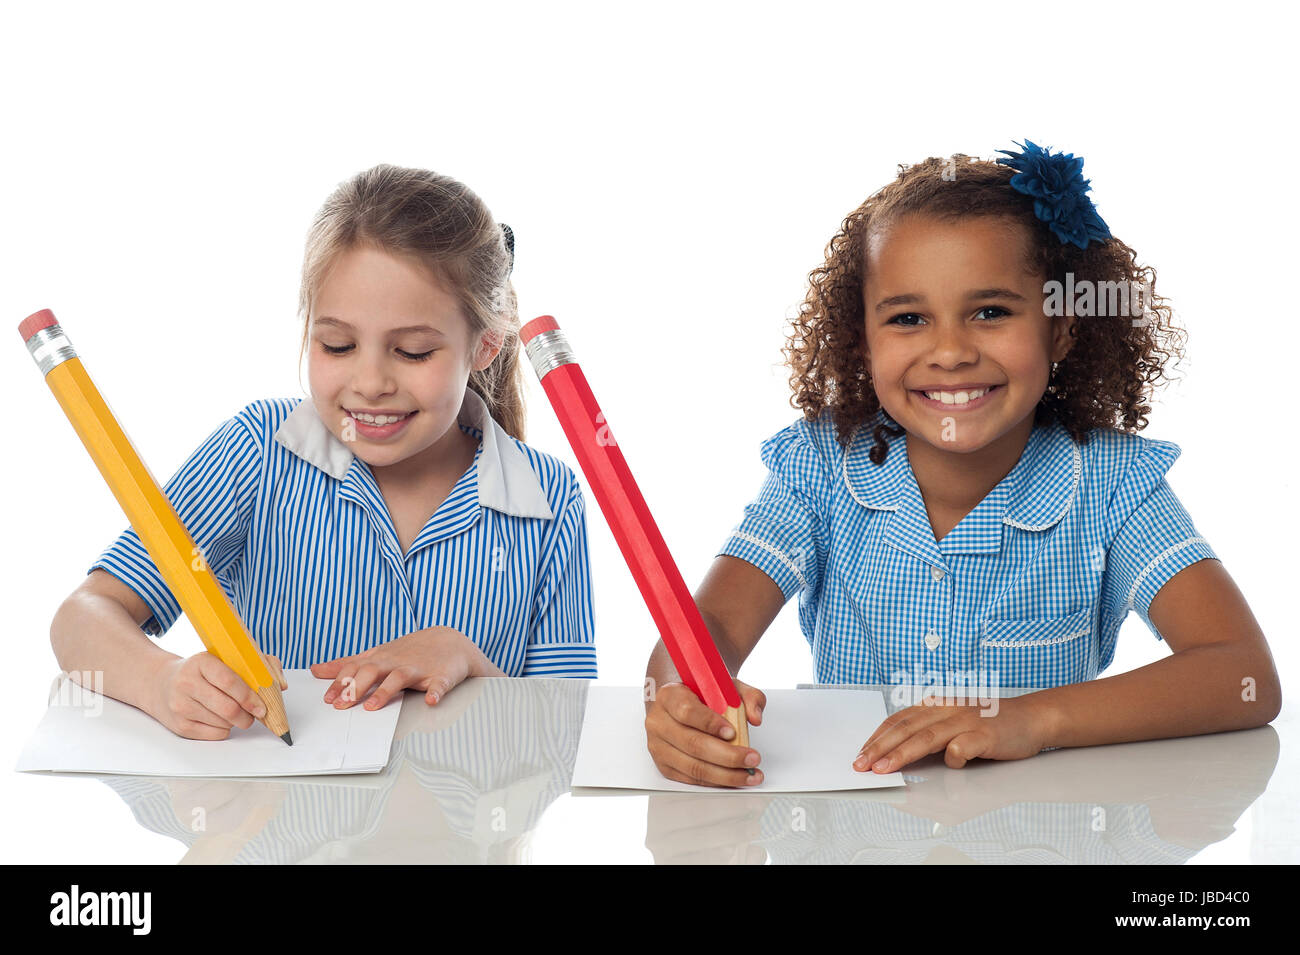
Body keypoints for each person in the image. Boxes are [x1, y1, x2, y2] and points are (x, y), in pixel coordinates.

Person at [644, 142, 1280, 788]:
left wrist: (1031, 718)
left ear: (1060, 325)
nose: (949, 352)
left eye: (990, 312)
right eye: (909, 318)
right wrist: (679, 695)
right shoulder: (816, 468)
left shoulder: (1111, 485)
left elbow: (1242, 673)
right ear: (862, 339)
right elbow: (710, 626)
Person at [51, 164, 596, 741]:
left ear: (485, 346)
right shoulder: (259, 450)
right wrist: (161, 681)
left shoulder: (549, 499)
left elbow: (563, 736)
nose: (370, 382)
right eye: (337, 344)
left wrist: (472, 666)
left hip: (458, 831)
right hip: (279, 824)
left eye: (412, 351)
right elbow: (83, 616)